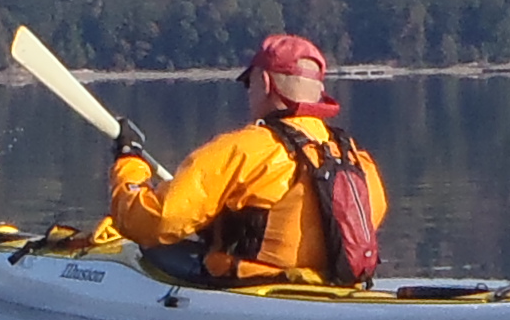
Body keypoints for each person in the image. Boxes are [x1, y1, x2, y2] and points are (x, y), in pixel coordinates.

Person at [104, 32, 389, 287]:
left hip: (253, 290)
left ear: (264, 83)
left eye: (248, 84)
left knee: (151, 249)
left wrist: (129, 163)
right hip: (330, 286)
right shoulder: (353, 155)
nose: (248, 95)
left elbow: (155, 221)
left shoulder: (243, 150)